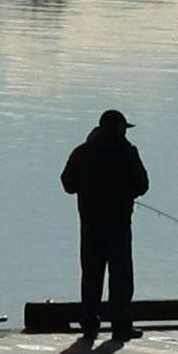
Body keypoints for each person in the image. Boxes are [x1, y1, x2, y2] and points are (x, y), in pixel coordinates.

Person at [60, 109, 150, 338]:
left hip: (89, 223)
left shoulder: (82, 152)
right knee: (120, 274)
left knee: (91, 272)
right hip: (118, 223)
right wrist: (126, 193)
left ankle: (89, 321)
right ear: (118, 127)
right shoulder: (126, 152)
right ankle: (120, 325)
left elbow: (68, 184)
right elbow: (142, 184)